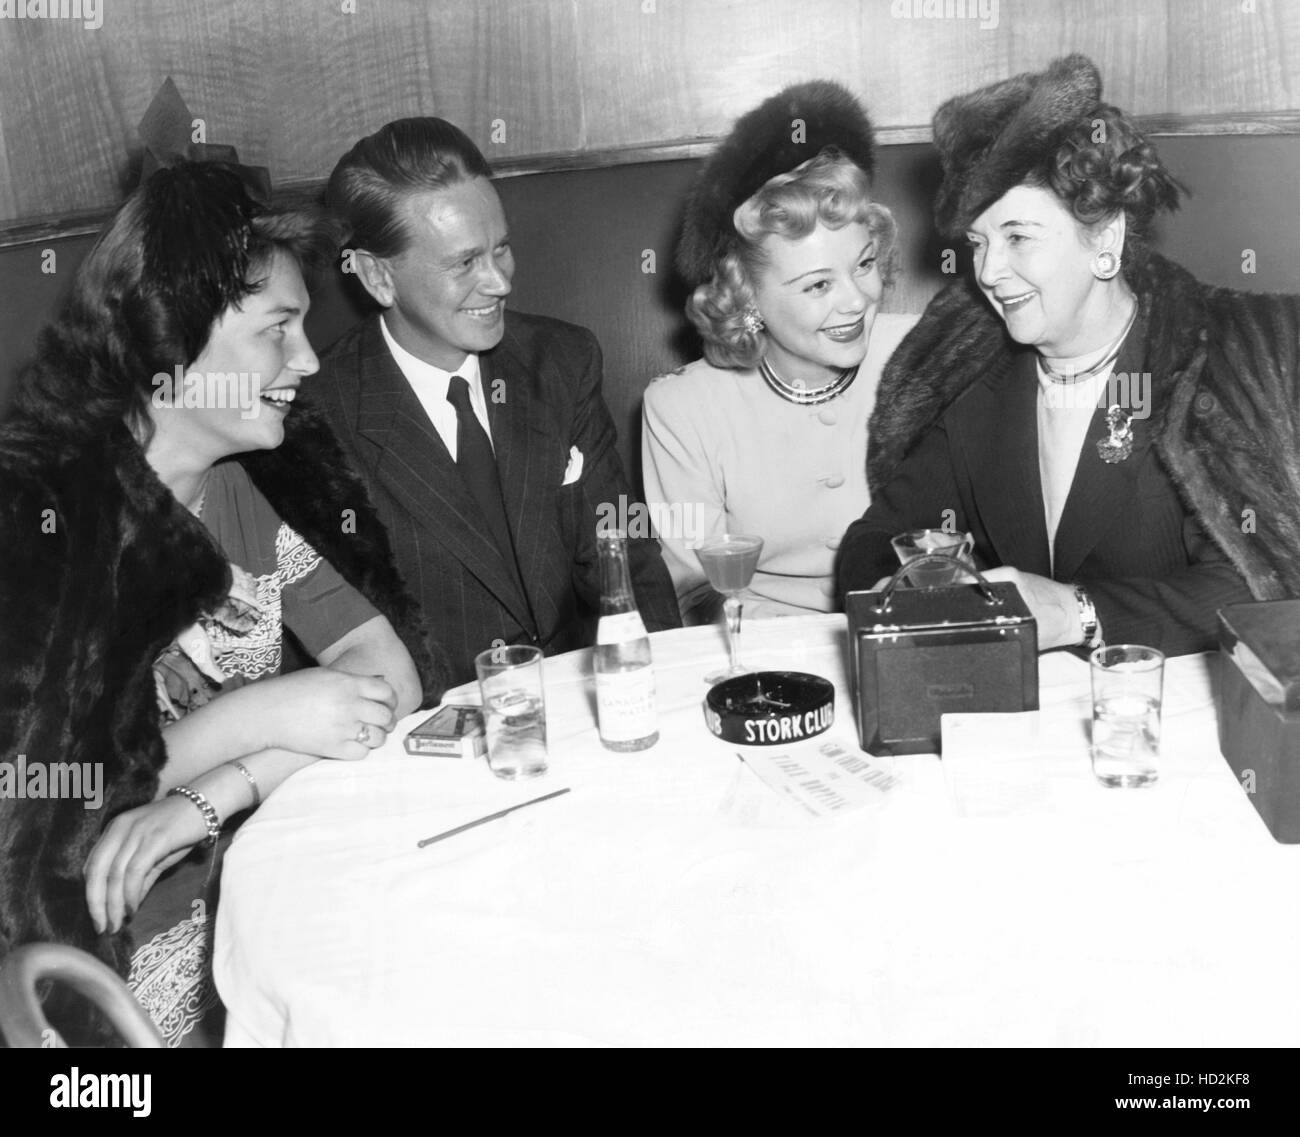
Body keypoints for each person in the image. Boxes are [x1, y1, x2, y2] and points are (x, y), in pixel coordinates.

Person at [0, 161, 446, 1046]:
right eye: (277, 329)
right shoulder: (41, 524)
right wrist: (262, 710)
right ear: (173, 343)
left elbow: (389, 678)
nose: (309, 359)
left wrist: (206, 795)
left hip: (259, 895)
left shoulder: (240, 489)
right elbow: (37, 797)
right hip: (103, 972)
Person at [837, 54, 1300, 655]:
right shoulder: (974, 374)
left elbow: (1258, 587)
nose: (988, 272)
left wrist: (1079, 613)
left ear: (1103, 240)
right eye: (977, 243)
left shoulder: (1215, 366)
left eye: (1018, 238)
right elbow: (878, 537)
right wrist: (899, 592)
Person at [310, 118, 681, 685]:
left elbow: (624, 550)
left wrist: (664, 689)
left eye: (500, 248)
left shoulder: (562, 360)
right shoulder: (318, 415)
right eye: (464, 263)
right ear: (377, 277)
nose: (500, 282)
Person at [643, 81, 917, 621]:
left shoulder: (927, 352)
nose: (858, 300)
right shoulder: (682, 409)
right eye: (817, 286)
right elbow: (693, 590)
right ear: (747, 297)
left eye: (863, 265)